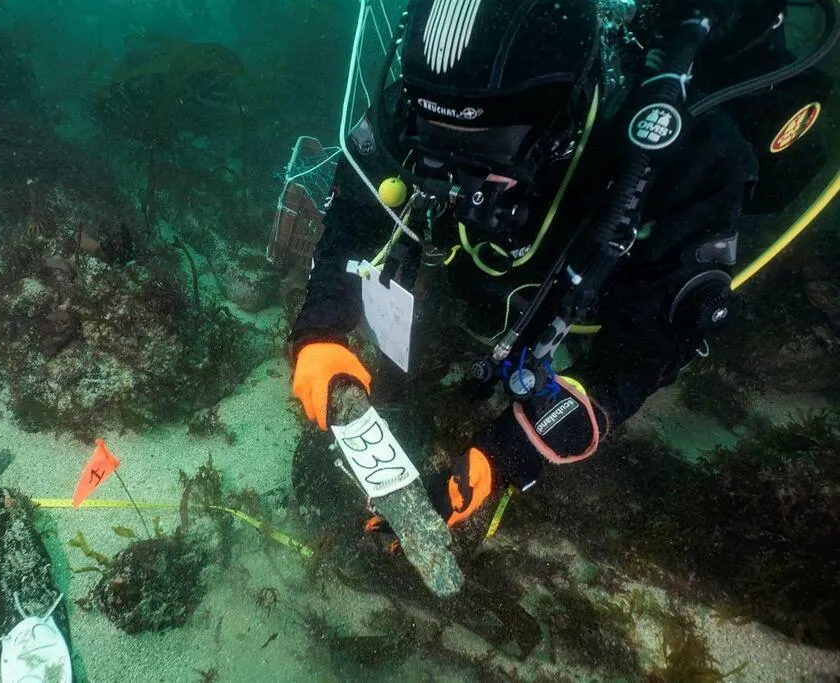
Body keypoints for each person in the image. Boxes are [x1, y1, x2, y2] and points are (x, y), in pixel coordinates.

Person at [287, 0, 831, 558]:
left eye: (481, 153)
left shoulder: (683, 153)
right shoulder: (418, 98)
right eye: (434, 147)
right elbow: (355, 209)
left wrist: (499, 457)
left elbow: (638, 357)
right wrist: (321, 329)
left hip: (605, 262)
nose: (452, 178)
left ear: (561, 119)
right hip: (491, 265)